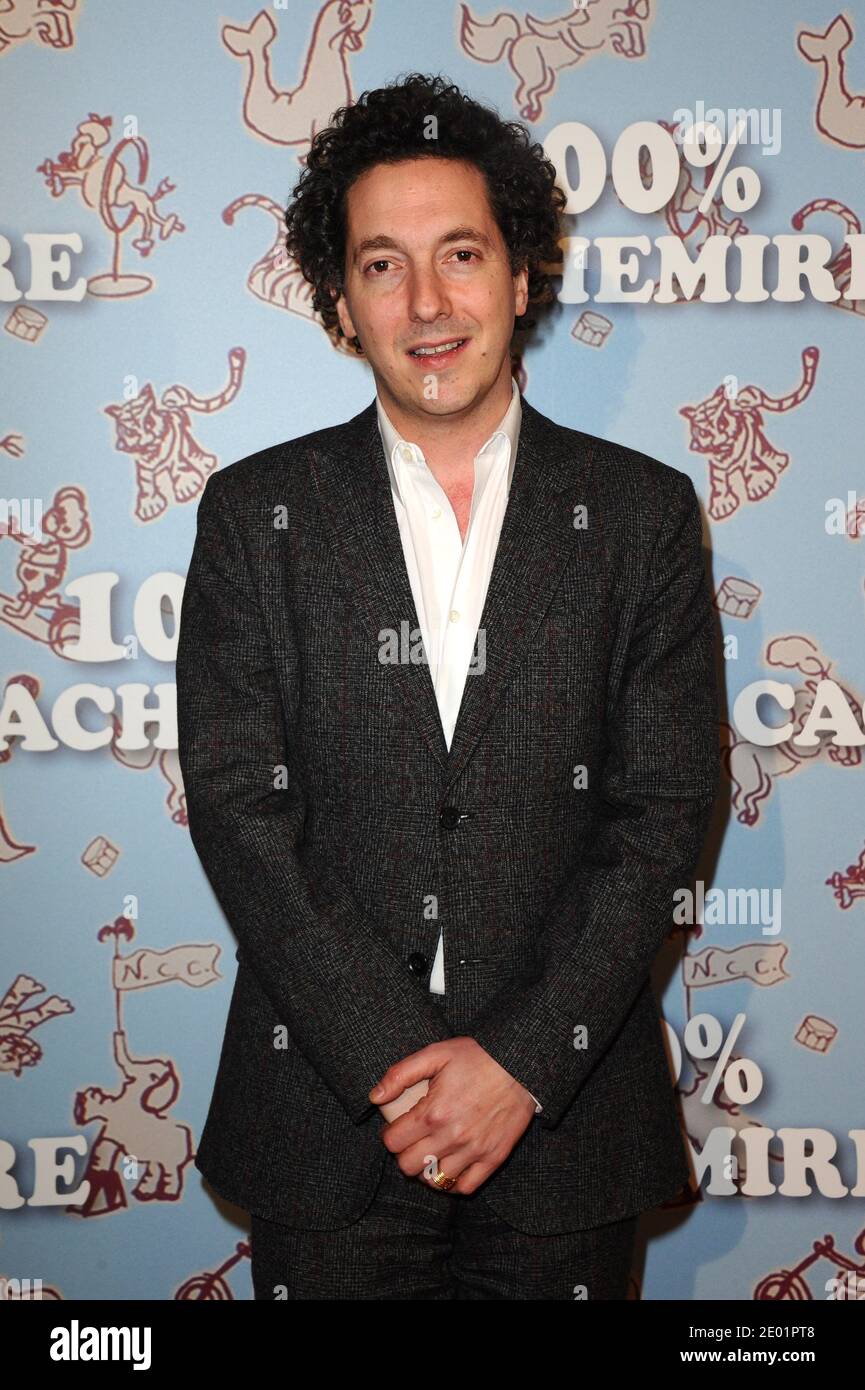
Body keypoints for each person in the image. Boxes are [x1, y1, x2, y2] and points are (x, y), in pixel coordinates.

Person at [175, 73, 719, 1300]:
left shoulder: (637, 515)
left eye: (460, 253)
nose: (427, 303)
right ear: (337, 299)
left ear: (520, 275)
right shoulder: (257, 514)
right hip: (326, 1126)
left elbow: (662, 812)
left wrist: (516, 1066)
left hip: (565, 1133)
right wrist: (405, 1064)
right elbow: (237, 806)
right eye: (381, 264)